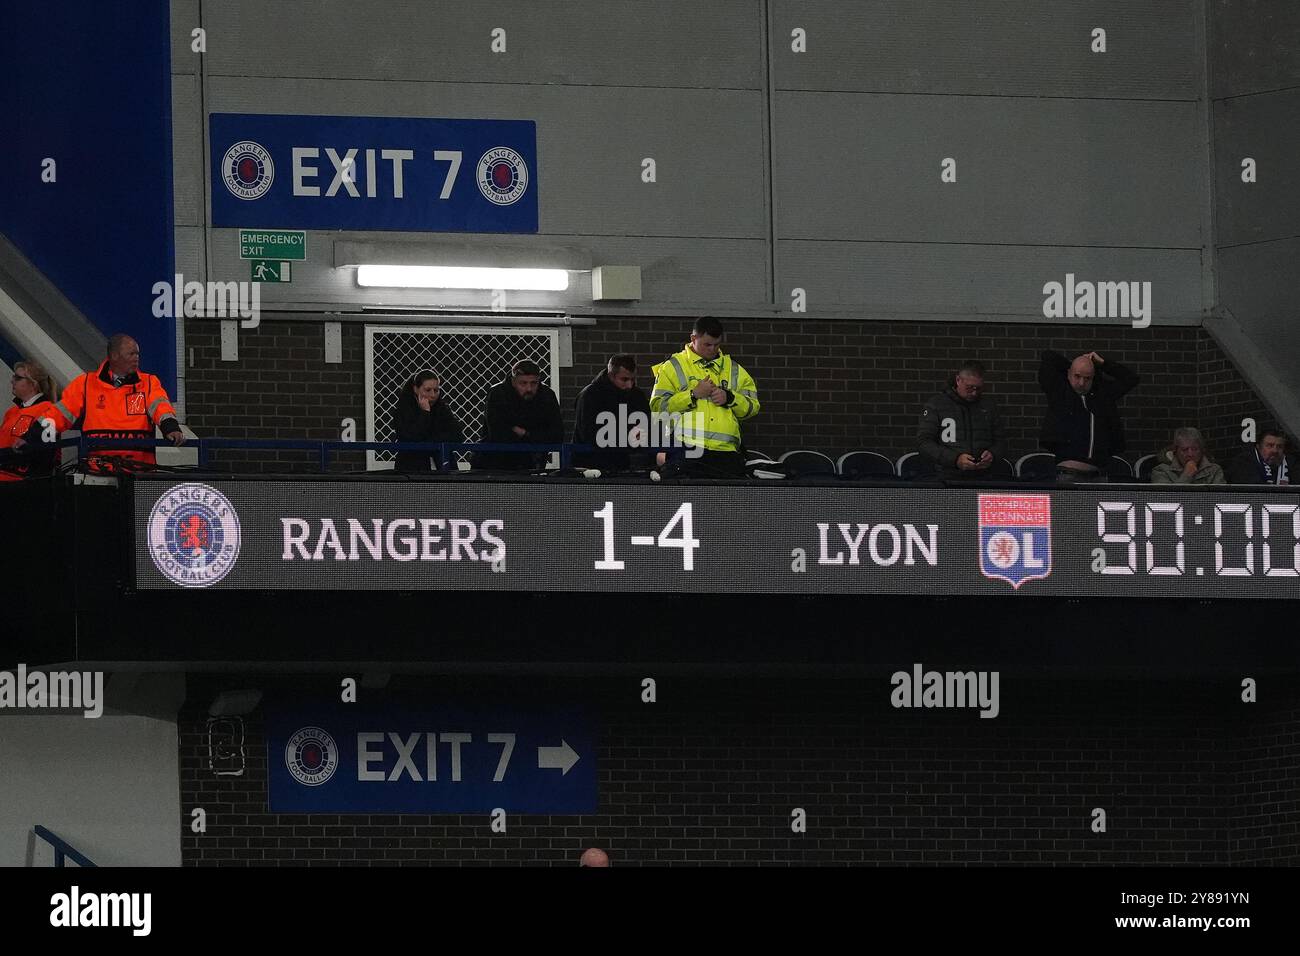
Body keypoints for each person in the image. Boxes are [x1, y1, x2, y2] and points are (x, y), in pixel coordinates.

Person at [48, 334, 184, 472]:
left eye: (137, 353)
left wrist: (171, 427)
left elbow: (161, 407)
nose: (136, 358)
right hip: (96, 472)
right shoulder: (85, 384)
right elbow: (59, 414)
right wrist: (32, 436)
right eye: (131, 354)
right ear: (114, 356)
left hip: (139, 471)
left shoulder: (149, 382)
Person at [650, 317, 760, 477]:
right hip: (686, 449)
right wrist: (692, 395)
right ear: (693, 339)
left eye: (717, 345)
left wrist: (730, 398)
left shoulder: (735, 370)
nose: (712, 349)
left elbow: (753, 407)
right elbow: (658, 408)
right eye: (707, 344)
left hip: (725, 452)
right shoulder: (672, 367)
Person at [1037, 349, 1139, 482]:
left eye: (1087, 378)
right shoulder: (1059, 392)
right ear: (1068, 374)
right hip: (1068, 472)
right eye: (1077, 376)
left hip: (1098, 473)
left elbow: (1131, 379)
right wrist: (1080, 362)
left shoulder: (1103, 395)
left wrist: (1102, 363)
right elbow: (1048, 356)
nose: (1081, 383)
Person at [916, 359, 1004, 479]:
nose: (974, 393)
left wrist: (992, 454)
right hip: (945, 477)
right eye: (969, 388)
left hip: (984, 476)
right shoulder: (936, 405)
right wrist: (955, 460)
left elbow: (1001, 441)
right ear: (958, 380)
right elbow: (924, 443)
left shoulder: (988, 407)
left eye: (978, 388)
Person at [476, 359, 563, 471]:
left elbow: (557, 435)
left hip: (530, 464)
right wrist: (534, 436)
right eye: (523, 383)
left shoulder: (546, 395)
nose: (529, 388)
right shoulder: (498, 394)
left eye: (533, 383)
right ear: (513, 381)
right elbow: (498, 434)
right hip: (494, 464)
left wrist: (522, 432)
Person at [572, 354, 652, 472]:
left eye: (632, 379)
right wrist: (630, 437)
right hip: (588, 465)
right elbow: (589, 435)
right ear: (611, 376)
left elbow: (647, 426)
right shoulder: (590, 396)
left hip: (618, 464)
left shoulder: (636, 396)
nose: (629, 385)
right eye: (624, 379)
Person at [391, 370, 464, 473]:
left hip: (442, 465)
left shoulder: (442, 408)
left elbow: (458, 435)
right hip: (413, 468)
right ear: (416, 389)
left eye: (436, 390)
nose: (433, 395)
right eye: (428, 390)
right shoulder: (404, 409)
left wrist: (432, 439)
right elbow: (412, 435)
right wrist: (425, 413)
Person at [0, 360, 60, 481]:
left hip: (24, 481)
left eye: (18, 378)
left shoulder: (47, 409)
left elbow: (45, 453)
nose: (12, 381)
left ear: (33, 384)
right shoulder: (12, 411)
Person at [1149, 427, 1226, 485]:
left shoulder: (1214, 470)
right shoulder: (1161, 471)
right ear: (1175, 450)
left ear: (1202, 450)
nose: (1190, 454)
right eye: (1185, 450)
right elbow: (1165, 501)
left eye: (1195, 449)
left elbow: (1222, 499)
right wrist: (1186, 476)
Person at [1227, 426, 1295, 485]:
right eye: (1269, 446)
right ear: (1258, 447)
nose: (1275, 450)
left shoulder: (1292, 463)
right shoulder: (1243, 462)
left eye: (1279, 446)